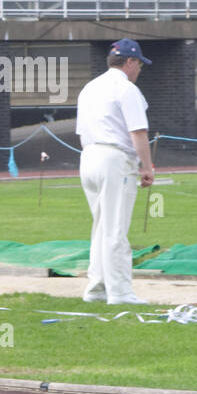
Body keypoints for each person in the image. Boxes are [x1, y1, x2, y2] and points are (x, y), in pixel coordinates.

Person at [75, 38, 155, 304]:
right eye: (139, 64)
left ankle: (96, 287)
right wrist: (147, 166)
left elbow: (81, 132)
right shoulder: (126, 89)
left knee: (101, 227)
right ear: (129, 61)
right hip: (113, 158)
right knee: (115, 228)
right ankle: (120, 292)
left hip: (88, 156)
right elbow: (138, 132)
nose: (139, 70)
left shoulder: (89, 88)